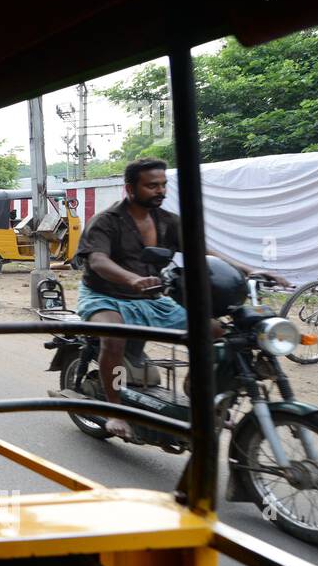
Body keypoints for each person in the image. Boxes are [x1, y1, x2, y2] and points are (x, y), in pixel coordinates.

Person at [75, 158, 288, 440]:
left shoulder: (168, 222)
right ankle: (115, 409)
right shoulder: (106, 221)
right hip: (105, 295)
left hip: (152, 297)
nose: (160, 191)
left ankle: (197, 397)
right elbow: (99, 261)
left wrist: (250, 270)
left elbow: (202, 251)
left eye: (163, 185)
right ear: (130, 188)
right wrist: (132, 279)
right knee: (114, 338)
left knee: (216, 332)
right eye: (151, 186)